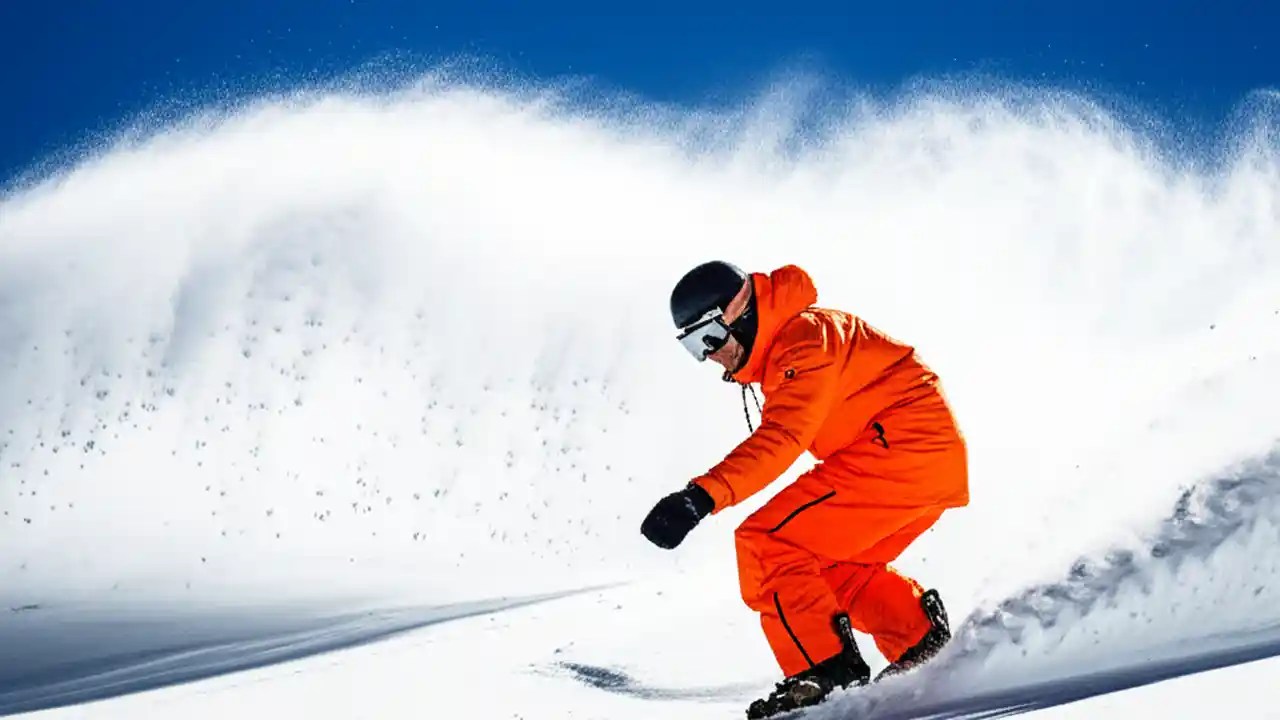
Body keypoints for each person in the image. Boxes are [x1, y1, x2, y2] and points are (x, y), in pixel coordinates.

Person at [641, 261, 969, 718]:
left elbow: (783, 438)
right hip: (919, 458)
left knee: (766, 542)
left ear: (739, 312)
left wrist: (700, 497)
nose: (709, 356)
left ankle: (824, 669)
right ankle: (916, 635)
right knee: (821, 567)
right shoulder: (790, 348)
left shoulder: (804, 339)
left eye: (710, 338)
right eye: (694, 348)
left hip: (901, 449)